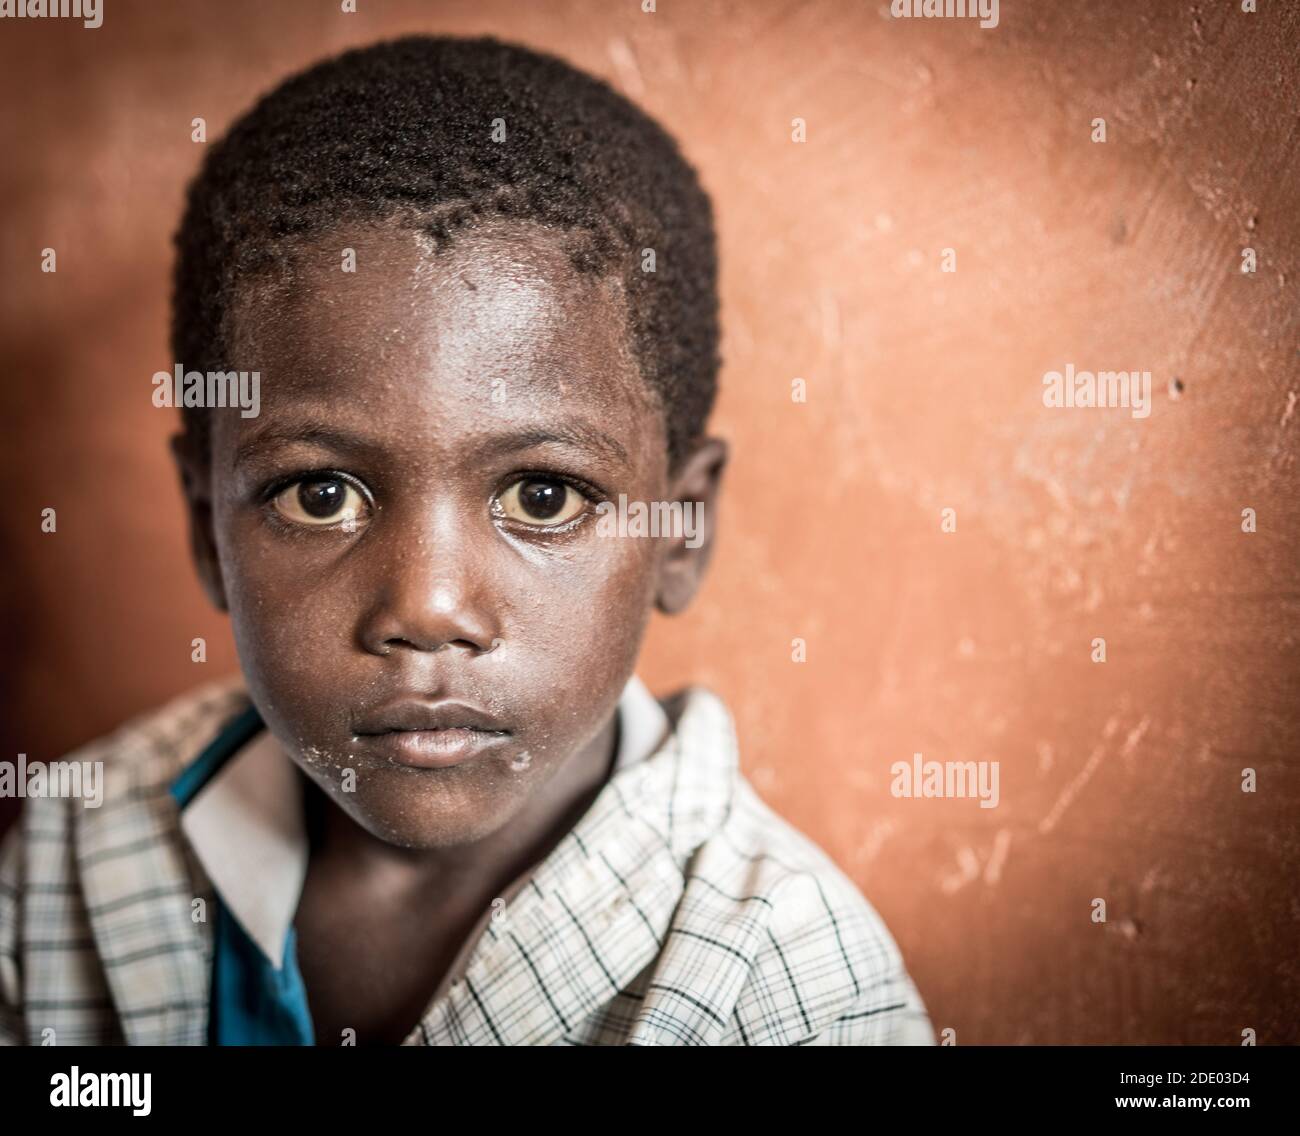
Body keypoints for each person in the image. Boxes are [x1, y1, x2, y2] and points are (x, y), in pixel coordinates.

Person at [0, 35, 933, 1046]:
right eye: (320, 494)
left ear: (680, 525)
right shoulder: (74, 851)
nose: (427, 607)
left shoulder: (791, 995)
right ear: (204, 526)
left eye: (541, 495)